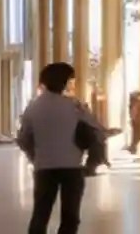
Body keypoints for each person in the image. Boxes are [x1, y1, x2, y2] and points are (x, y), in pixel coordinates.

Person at [18, 62, 103, 234]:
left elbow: (23, 139)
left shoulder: (33, 107)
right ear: (65, 81)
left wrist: (34, 156)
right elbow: (97, 129)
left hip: (44, 167)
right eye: (71, 80)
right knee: (70, 217)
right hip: (72, 167)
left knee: (41, 214)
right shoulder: (74, 106)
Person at [125, 91, 140, 155]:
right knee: (137, 136)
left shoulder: (135, 103)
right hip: (138, 122)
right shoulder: (138, 103)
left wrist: (133, 119)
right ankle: (133, 148)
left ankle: (133, 148)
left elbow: (133, 113)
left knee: (136, 136)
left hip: (137, 122)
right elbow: (133, 112)